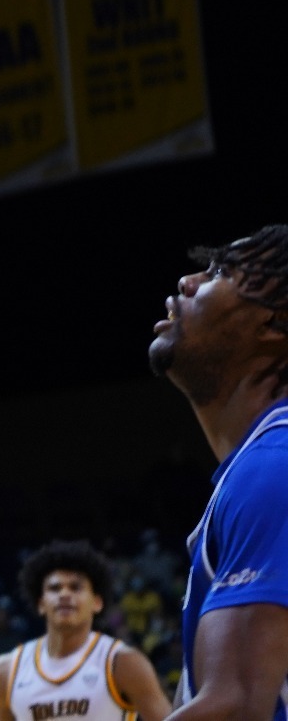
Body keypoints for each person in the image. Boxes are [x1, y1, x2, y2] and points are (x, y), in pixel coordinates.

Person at [148, 227, 288, 721]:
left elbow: (235, 710)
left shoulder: (276, 465)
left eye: (221, 273)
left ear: (273, 325)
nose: (187, 281)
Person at [0, 541, 168, 721]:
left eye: (75, 587)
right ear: (41, 603)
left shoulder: (123, 662)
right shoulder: (6, 671)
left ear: (97, 602)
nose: (64, 594)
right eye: (55, 588)